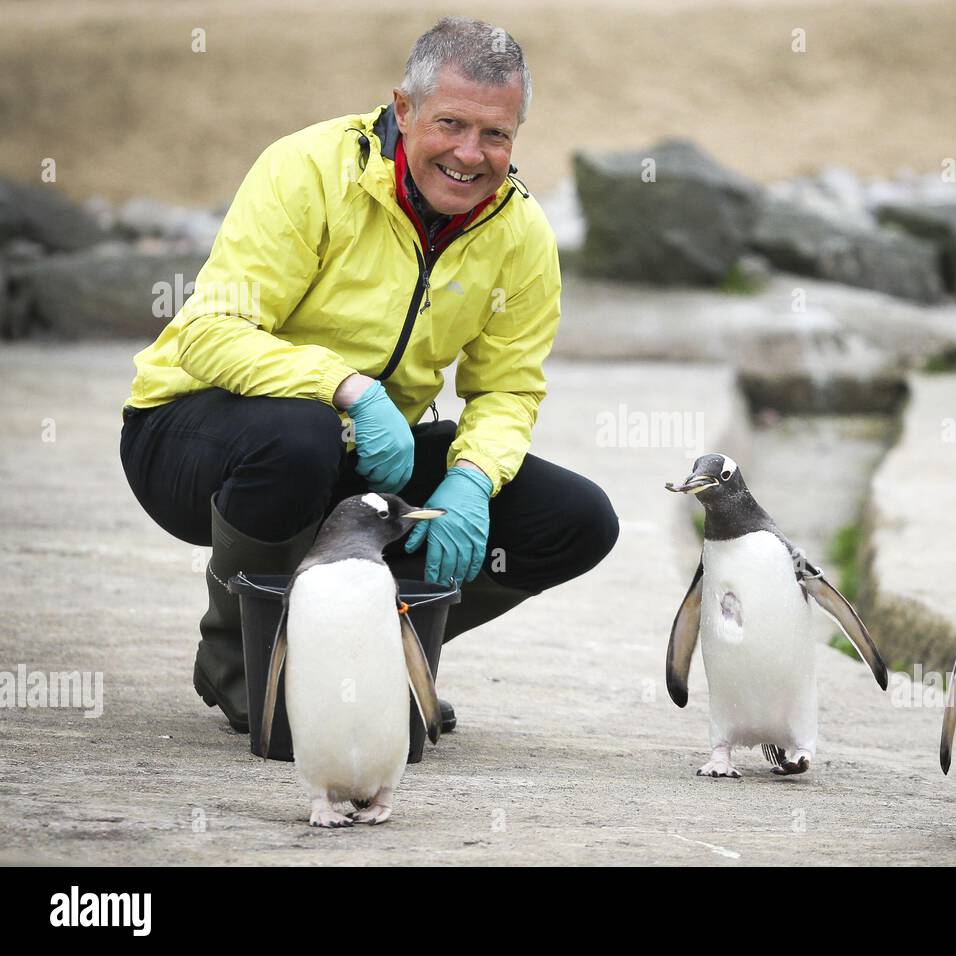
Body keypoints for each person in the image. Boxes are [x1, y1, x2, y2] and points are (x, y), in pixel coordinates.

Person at [119, 17, 619, 735]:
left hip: (363, 461)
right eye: (450, 124)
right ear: (404, 108)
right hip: (196, 439)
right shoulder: (309, 169)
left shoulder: (522, 232)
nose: (470, 154)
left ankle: (371, 655)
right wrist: (348, 389)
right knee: (300, 435)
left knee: (576, 519)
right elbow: (209, 331)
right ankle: (243, 663)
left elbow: (507, 387)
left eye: (496, 134)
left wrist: (473, 477)